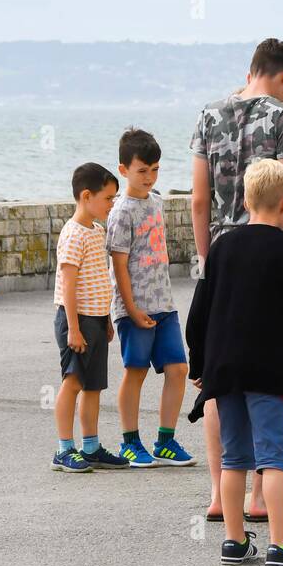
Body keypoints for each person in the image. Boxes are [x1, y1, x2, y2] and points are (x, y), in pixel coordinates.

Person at [189, 38, 283, 523]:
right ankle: (259, 499)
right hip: (270, 258)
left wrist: (210, 265)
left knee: (218, 378)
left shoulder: (208, 114)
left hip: (224, 257)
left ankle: (219, 494)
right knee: (264, 372)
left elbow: (199, 200)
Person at [185, 160, 283, 566]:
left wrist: (199, 363)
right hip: (269, 367)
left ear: (245, 199)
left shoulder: (223, 246)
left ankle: (234, 541)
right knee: (273, 456)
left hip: (225, 368)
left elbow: (200, 309)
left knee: (233, 458)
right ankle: (280, 547)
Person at [106, 128, 194, 468]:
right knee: (136, 370)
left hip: (165, 304)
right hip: (135, 306)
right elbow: (119, 263)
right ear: (124, 169)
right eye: (143, 170)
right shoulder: (121, 211)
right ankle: (130, 441)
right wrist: (130, 308)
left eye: (155, 169)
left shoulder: (156, 201)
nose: (150, 177)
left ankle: (165, 440)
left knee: (178, 368)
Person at [50, 162, 126, 473]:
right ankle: (64, 449)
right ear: (86, 196)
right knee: (73, 383)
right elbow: (68, 284)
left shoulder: (97, 230)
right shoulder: (73, 234)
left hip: (95, 319)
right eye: (108, 198)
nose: (112, 204)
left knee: (94, 386)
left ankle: (91, 446)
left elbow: (99, 279)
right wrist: (74, 329)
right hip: (75, 321)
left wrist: (106, 318)